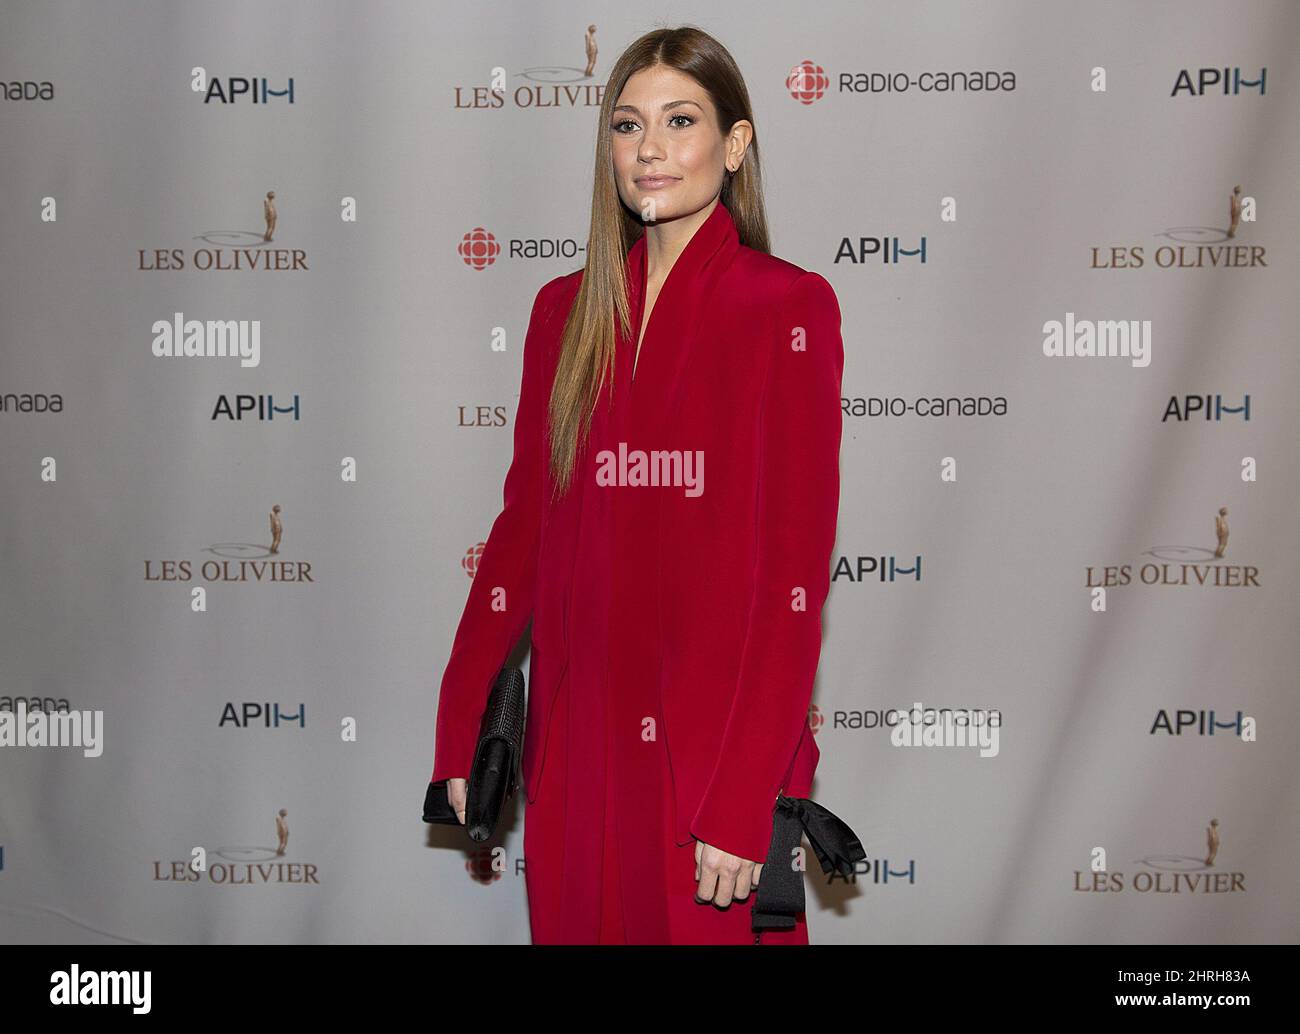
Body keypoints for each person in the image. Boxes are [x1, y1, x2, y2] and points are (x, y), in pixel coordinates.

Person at [429, 25, 844, 944]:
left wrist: (744, 798)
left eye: (680, 120)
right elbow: (522, 533)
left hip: (710, 768)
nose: (649, 148)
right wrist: (463, 712)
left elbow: (793, 584)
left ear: (734, 146)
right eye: (627, 125)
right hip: (577, 754)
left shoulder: (787, 309)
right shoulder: (563, 314)